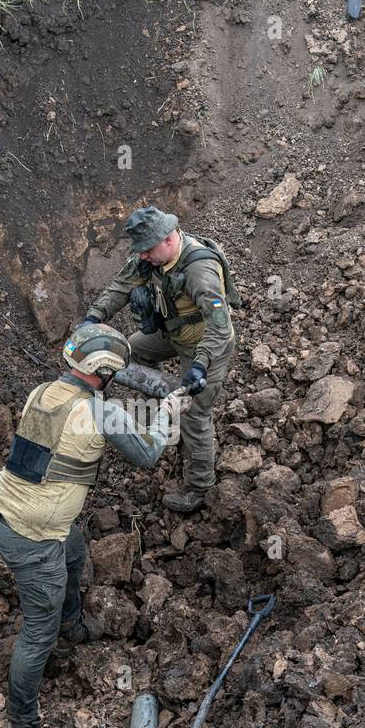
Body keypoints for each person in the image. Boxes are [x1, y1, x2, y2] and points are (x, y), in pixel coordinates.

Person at [0, 323, 192, 728]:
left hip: (13, 513)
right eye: (114, 373)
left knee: (76, 554)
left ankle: (73, 623)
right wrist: (170, 408)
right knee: (36, 632)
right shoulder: (103, 414)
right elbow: (149, 453)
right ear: (103, 372)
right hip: (35, 537)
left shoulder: (42, 391)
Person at [79, 206, 240, 513]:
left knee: (195, 415)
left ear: (169, 239)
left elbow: (221, 327)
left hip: (207, 346)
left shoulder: (199, 270)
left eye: (147, 250)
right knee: (129, 352)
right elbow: (121, 287)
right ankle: (165, 406)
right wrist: (92, 318)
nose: (142, 257)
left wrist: (199, 365)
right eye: (139, 251)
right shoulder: (149, 257)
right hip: (172, 332)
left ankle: (200, 487)